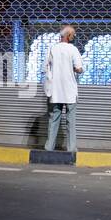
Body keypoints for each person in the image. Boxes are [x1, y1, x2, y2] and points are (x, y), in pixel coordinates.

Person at [44, 24, 84, 152]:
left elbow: (45, 67)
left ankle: (49, 147)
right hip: (69, 91)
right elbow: (79, 68)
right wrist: (77, 69)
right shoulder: (73, 49)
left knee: (53, 119)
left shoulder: (52, 49)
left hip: (55, 90)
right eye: (73, 34)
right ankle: (71, 148)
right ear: (68, 35)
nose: (74, 36)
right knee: (70, 121)